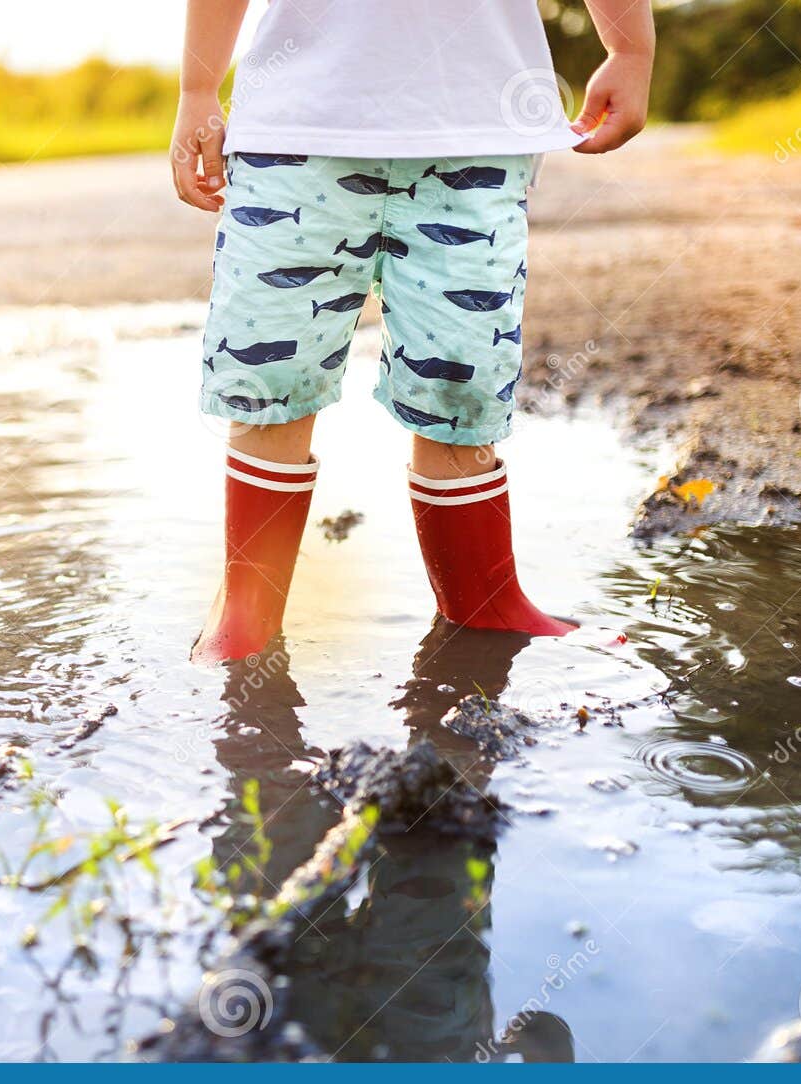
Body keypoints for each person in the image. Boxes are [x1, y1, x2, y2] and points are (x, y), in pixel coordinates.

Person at [175, 0, 654, 662]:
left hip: (478, 127)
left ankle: (483, 603)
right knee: (269, 373)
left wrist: (631, 49)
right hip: (295, 127)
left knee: (461, 373)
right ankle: (245, 616)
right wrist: (198, 87)